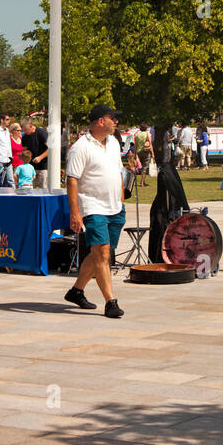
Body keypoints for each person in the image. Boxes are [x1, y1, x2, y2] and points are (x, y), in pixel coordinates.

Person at [64, 104, 126, 320]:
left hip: (115, 207)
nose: (116, 122)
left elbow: (118, 171)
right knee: (103, 254)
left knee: (100, 254)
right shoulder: (81, 147)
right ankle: (111, 302)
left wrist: (121, 199)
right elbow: (72, 180)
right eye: (113, 118)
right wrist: (75, 212)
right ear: (101, 121)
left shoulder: (114, 143)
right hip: (93, 206)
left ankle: (76, 291)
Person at [20, 116, 48, 189]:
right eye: (23, 131)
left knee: (44, 189)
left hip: (43, 167)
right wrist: (23, 156)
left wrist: (40, 157)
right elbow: (25, 150)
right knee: (30, 189)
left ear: (31, 126)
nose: (25, 132)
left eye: (26, 130)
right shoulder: (25, 137)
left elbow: (50, 149)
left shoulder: (42, 133)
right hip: (31, 168)